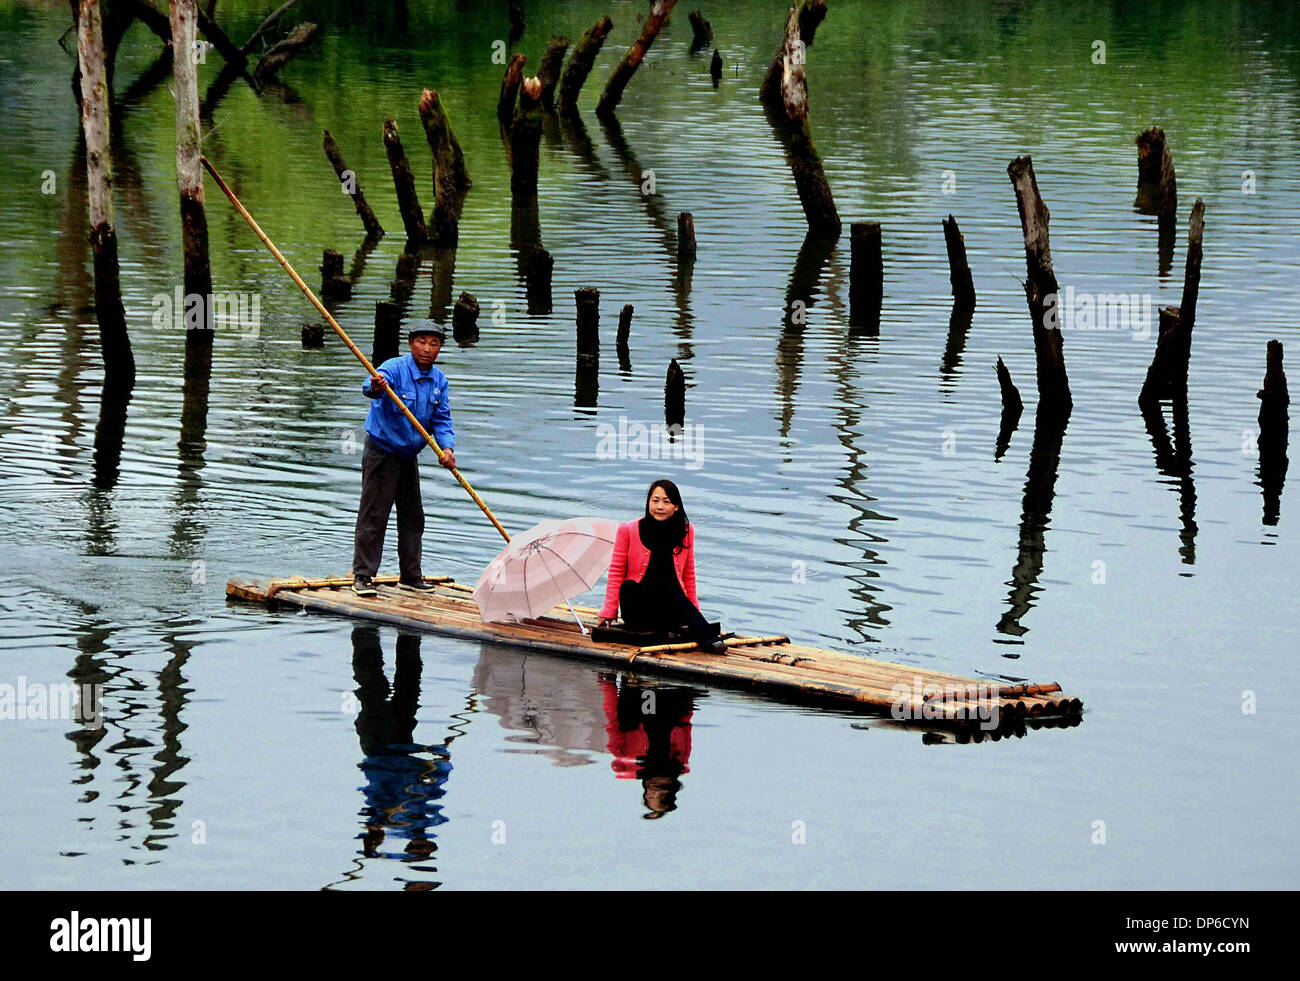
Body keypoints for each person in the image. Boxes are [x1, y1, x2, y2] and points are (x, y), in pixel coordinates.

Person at [352, 323, 458, 597]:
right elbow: (371, 386)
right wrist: (376, 385)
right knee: (375, 514)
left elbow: (442, 420)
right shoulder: (394, 368)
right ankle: (363, 576)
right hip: (382, 450)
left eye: (433, 344)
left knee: (413, 517)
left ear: (439, 349)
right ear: (411, 344)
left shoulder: (439, 381)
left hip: (409, 454)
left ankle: (411, 576)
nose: (426, 349)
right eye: (421, 342)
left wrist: (447, 449)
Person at [597, 479, 728, 654]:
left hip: (670, 607)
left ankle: (691, 630)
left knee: (672, 589)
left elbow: (689, 574)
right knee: (629, 586)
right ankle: (709, 638)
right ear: (648, 502)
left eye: (666, 502)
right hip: (638, 608)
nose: (659, 506)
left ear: (676, 506)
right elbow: (616, 572)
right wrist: (609, 611)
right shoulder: (628, 530)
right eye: (655, 500)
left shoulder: (686, 531)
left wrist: (695, 611)